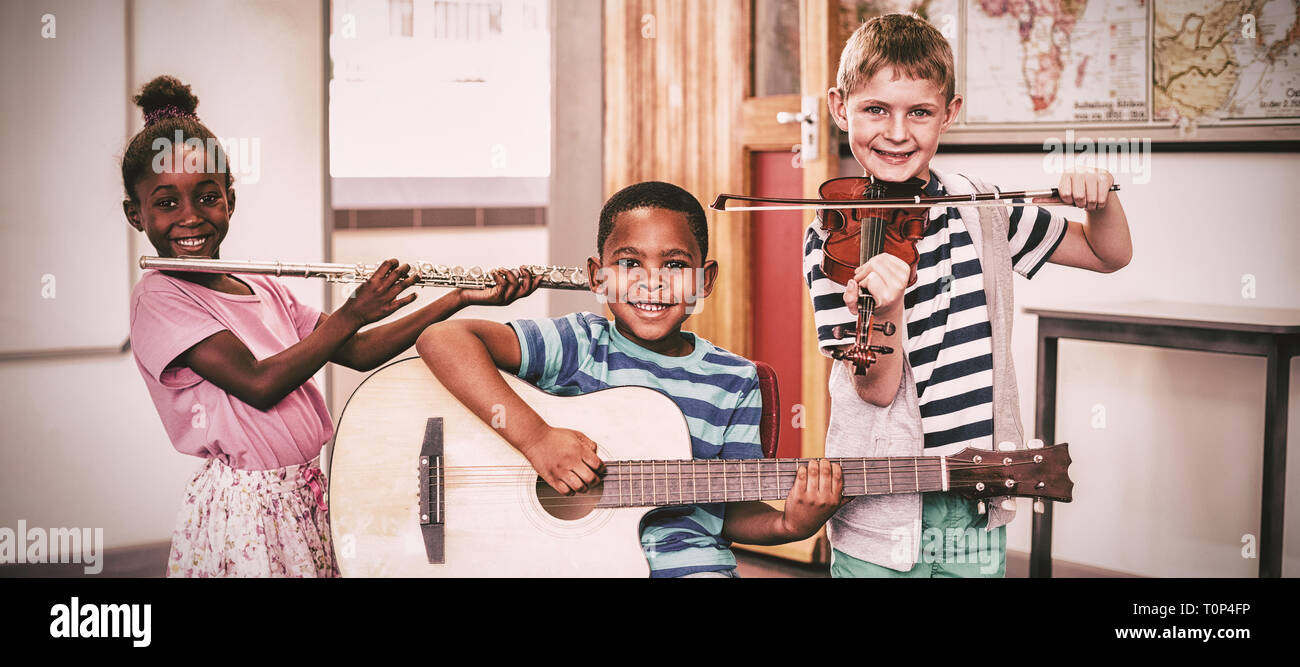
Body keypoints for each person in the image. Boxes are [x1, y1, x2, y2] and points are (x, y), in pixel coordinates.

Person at [124, 75, 539, 577]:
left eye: (206, 196)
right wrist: (351, 312)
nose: (190, 217)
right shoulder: (159, 297)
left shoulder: (259, 286)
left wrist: (456, 298)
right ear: (135, 213)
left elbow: (358, 350)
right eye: (167, 203)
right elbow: (259, 383)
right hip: (248, 511)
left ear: (229, 200)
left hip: (302, 491)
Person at [805, 15, 1132, 577]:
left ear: (949, 114)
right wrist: (886, 308)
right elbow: (877, 391)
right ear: (840, 108)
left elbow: (1108, 255)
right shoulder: (834, 235)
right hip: (881, 502)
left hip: (974, 493)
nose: (898, 132)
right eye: (876, 109)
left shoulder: (982, 211)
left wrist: (1100, 202)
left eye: (920, 112)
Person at [417, 181, 844, 577]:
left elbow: (730, 509)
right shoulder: (579, 344)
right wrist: (536, 438)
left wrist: (789, 523)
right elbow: (444, 339)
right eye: (628, 263)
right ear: (597, 276)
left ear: (705, 278)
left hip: (688, 564)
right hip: (570, 559)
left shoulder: (735, 380)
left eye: (675, 264)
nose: (651, 282)